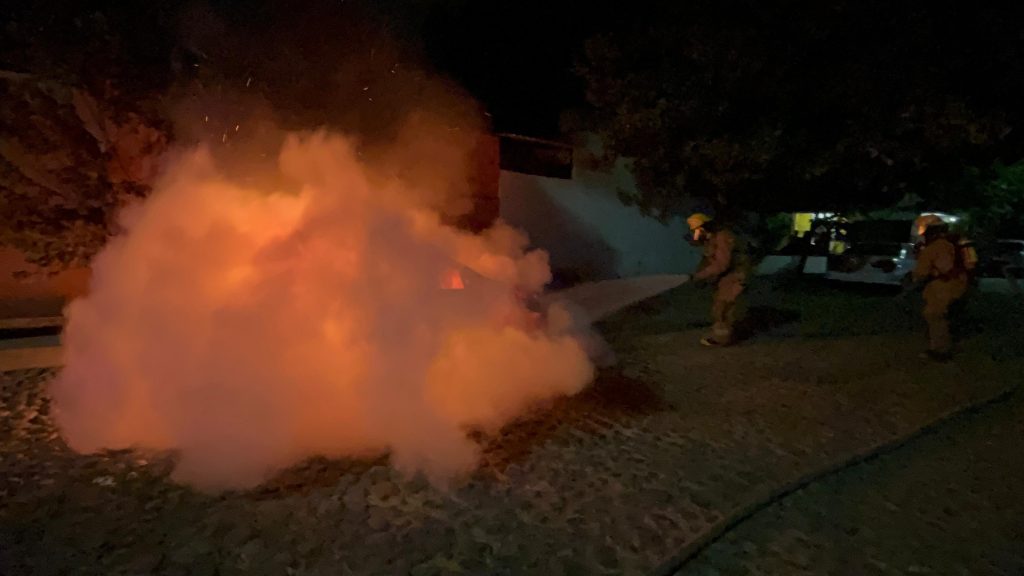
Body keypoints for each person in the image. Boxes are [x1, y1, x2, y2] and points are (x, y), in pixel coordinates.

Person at [688, 212, 751, 346]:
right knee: (719, 306)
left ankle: (722, 339)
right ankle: (722, 335)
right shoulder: (711, 239)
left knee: (724, 307)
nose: (696, 234)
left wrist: (700, 276)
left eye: (697, 230)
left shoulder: (722, 237)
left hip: (734, 276)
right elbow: (708, 260)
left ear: (705, 227)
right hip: (725, 277)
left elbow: (722, 264)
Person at [911, 215, 969, 361]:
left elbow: (921, 272)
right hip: (958, 283)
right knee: (946, 315)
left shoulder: (934, 248)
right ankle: (946, 345)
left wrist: (917, 277)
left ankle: (940, 350)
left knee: (934, 315)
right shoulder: (950, 244)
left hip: (942, 286)